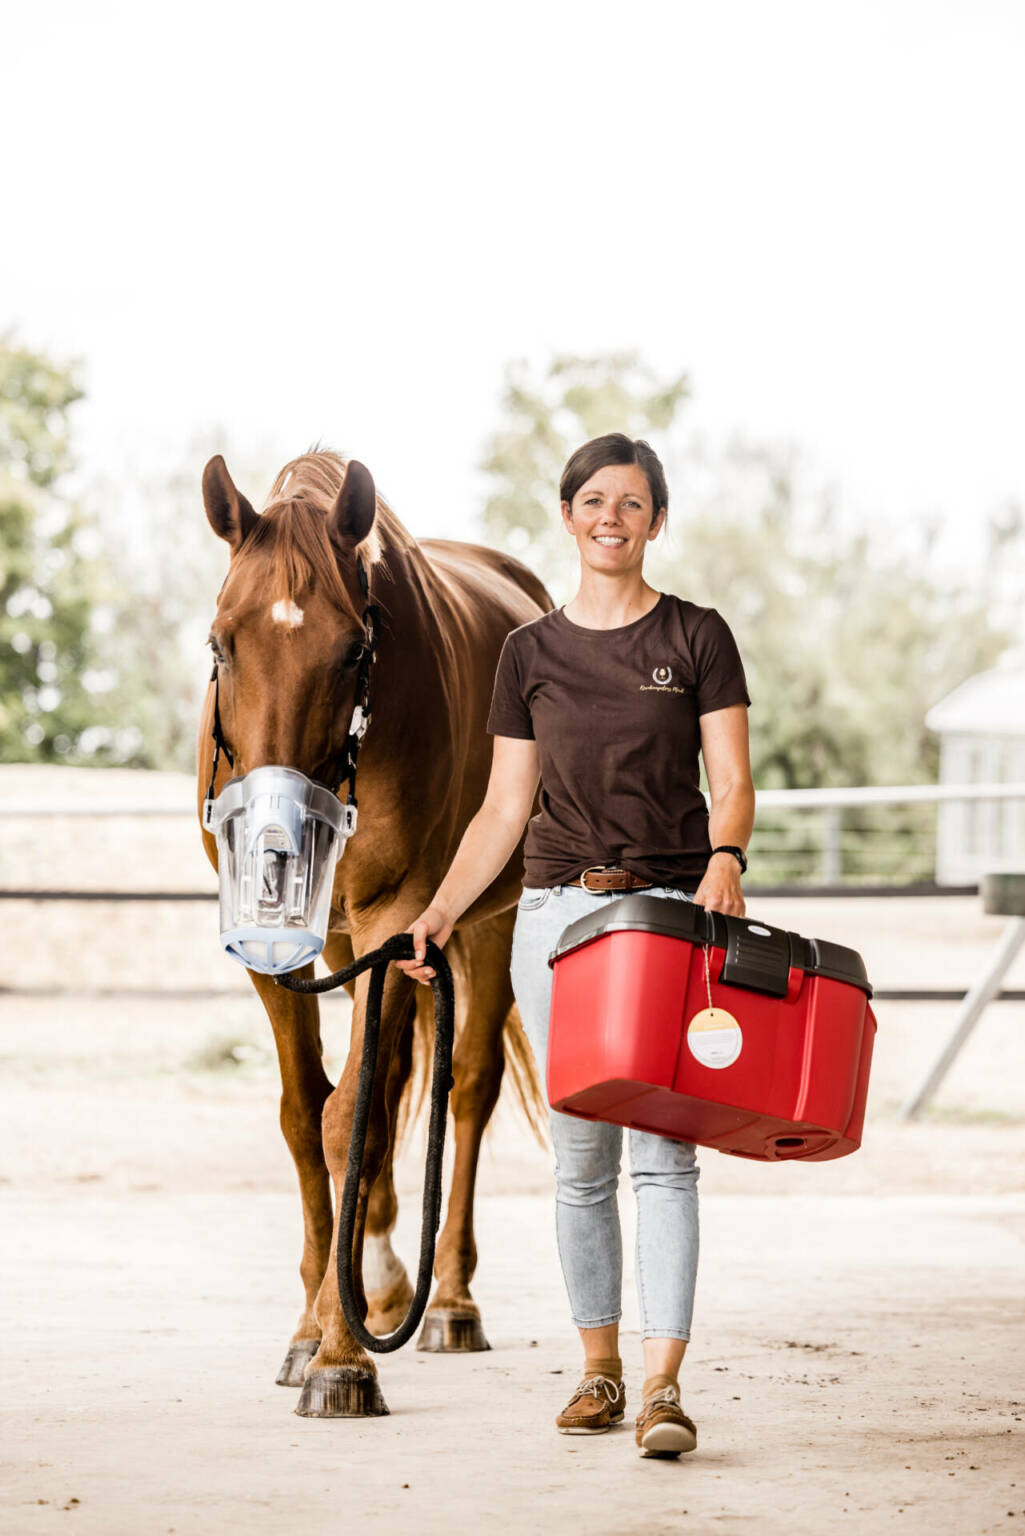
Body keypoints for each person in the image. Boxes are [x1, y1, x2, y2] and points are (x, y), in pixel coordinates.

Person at [395, 432, 754, 1459]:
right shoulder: (528, 654)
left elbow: (731, 779)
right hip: (553, 918)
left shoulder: (696, 636)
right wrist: (440, 910)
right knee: (581, 1159)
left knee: (664, 1157)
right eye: (593, 500)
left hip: (666, 918)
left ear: (655, 521)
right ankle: (598, 1371)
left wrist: (725, 856)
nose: (610, 518)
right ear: (566, 516)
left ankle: (662, 1389)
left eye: (631, 503)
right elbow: (504, 807)